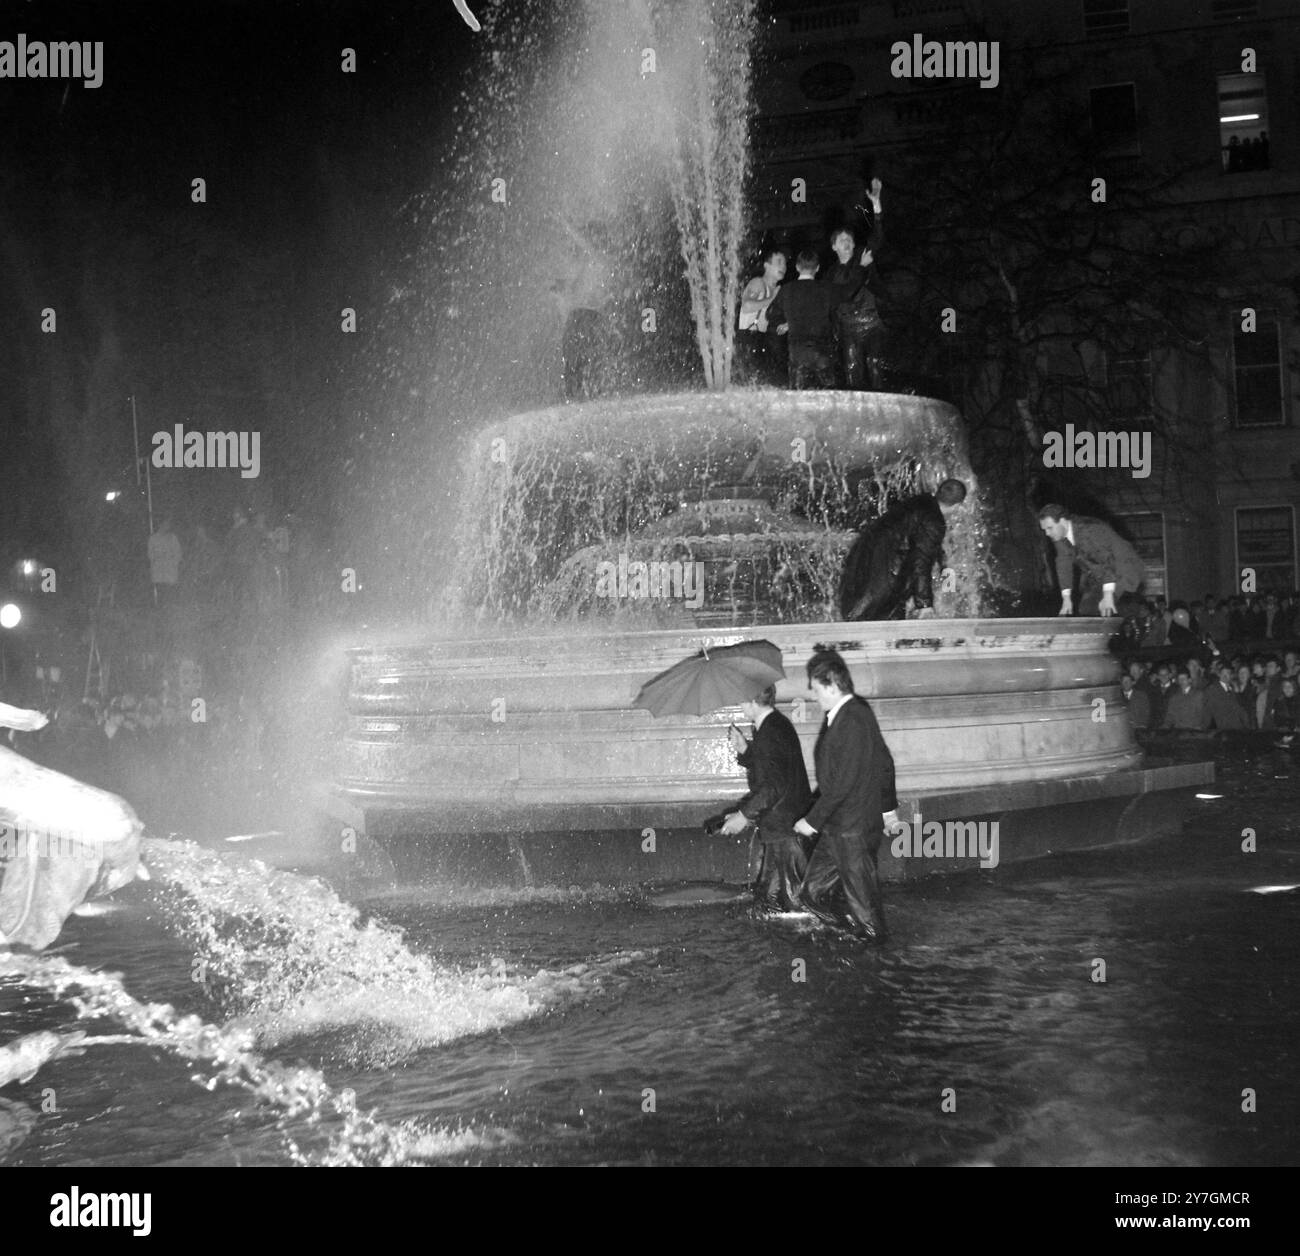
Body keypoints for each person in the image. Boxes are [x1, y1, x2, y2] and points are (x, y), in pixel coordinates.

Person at [793, 648, 902, 941]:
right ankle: (849, 936)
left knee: (867, 914)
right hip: (839, 828)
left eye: (816, 689)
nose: (814, 696)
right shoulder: (852, 713)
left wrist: (811, 821)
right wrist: (889, 811)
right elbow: (885, 763)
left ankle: (882, 967)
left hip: (852, 830)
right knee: (811, 894)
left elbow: (842, 783)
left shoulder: (852, 719)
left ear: (831, 686)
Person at [717, 684, 814, 912]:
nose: (740, 705)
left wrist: (743, 815)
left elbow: (773, 786)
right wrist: (745, 750)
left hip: (784, 832)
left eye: (741, 700)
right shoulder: (775, 725)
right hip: (784, 828)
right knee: (775, 904)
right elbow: (774, 770)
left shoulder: (769, 732)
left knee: (793, 907)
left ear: (752, 702)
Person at [840, 479, 968, 620]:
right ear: (957, 506)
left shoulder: (920, 503)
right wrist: (924, 605)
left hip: (863, 557)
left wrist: (946, 570)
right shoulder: (934, 520)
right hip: (883, 573)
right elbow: (921, 560)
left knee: (874, 617)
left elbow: (929, 545)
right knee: (866, 618)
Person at [825, 178, 885, 389]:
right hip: (849, 326)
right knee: (852, 367)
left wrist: (876, 206)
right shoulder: (831, 273)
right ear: (834, 247)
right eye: (842, 241)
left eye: (849, 239)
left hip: (871, 322)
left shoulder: (862, 254)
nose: (848, 243)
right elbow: (834, 300)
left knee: (875, 363)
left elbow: (877, 238)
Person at [1037, 504, 1145, 618]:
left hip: (1123, 570)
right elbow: (1064, 565)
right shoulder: (1060, 536)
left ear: (1063, 521)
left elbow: (1105, 559)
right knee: (1087, 608)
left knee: (1106, 609)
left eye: (1050, 528)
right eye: (1044, 530)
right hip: (1099, 574)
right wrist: (1066, 598)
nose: (1047, 533)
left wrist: (1108, 595)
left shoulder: (1089, 529)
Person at [767, 249, 838, 389]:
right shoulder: (826, 289)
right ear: (817, 268)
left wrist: (789, 323)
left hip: (798, 353)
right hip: (822, 351)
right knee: (829, 397)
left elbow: (770, 314)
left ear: (797, 267)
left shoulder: (786, 290)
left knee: (797, 397)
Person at [736, 248, 787, 384]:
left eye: (785, 263)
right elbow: (746, 306)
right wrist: (772, 298)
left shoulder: (777, 290)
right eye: (779, 262)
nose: (783, 266)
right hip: (749, 340)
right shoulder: (758, 283)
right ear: (766, 265)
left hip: (763, 340)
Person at [147, 517, 182, 608]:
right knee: (161, 590)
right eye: (165, 524)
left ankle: (171, 607)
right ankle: (162, 608)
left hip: (170, 569)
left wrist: (174, 562)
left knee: (170, 591)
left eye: (168, 524)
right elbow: (150, 554)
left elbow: (178, 552)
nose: (167, 526)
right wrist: (157, 559)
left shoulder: (172, 537)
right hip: (159, 569)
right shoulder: (153, 538)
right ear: (161, 525)